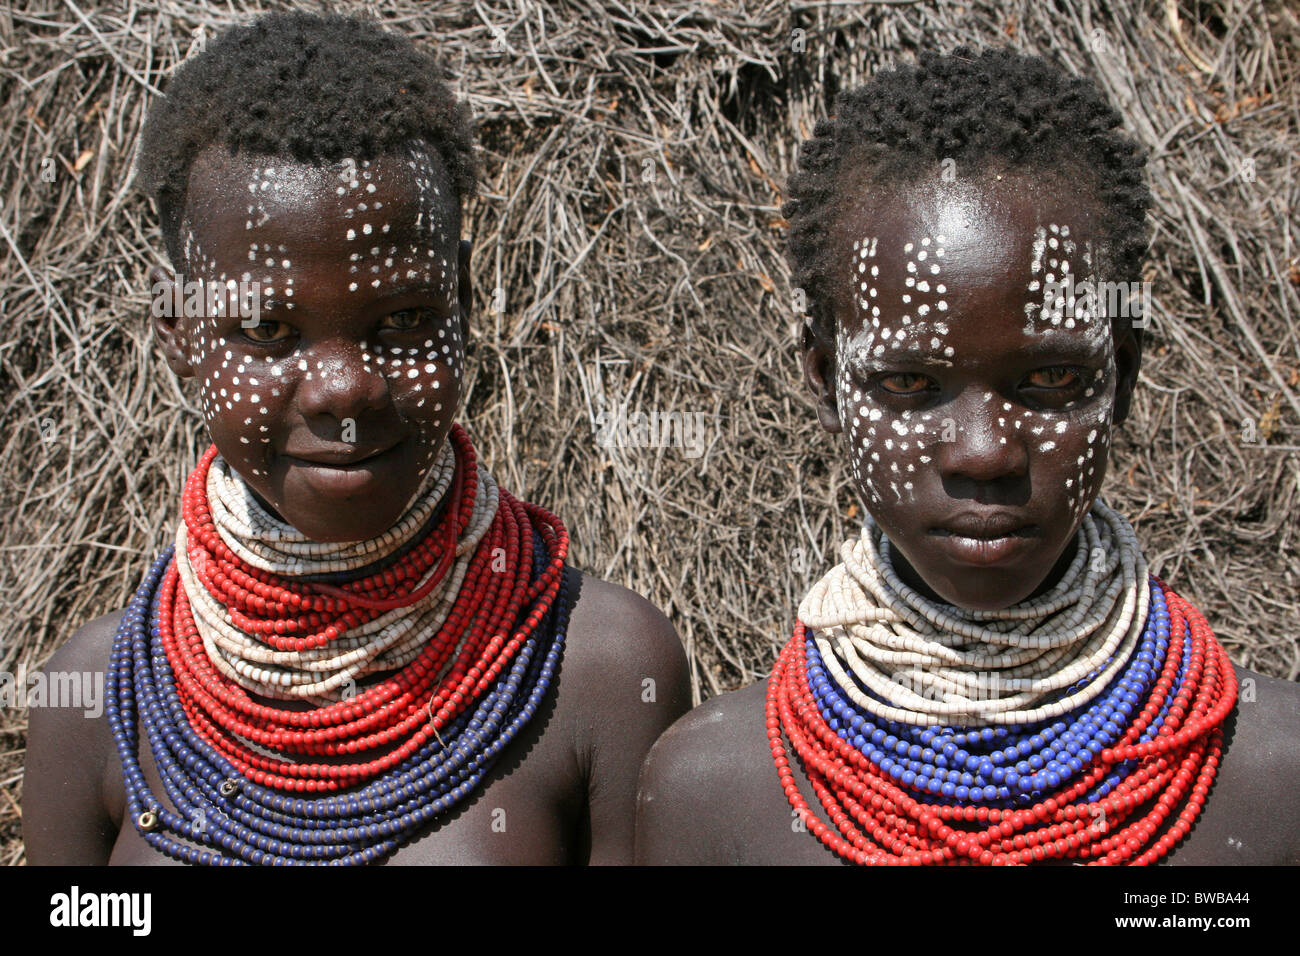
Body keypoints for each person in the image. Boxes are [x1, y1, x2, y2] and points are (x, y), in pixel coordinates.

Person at [23, 11, 688, 866]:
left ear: (465, 304)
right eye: (266, 328)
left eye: (405, 319)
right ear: (181, 337)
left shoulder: (597, 670)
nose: (346, 388)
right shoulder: (99, 694)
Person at [636, 48, 1300, 865]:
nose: (985, 453)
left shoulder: (1273, 779)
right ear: (825, 382)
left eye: (1052, 377)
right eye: (910, 383)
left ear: (1122, 373)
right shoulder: (713, 794)